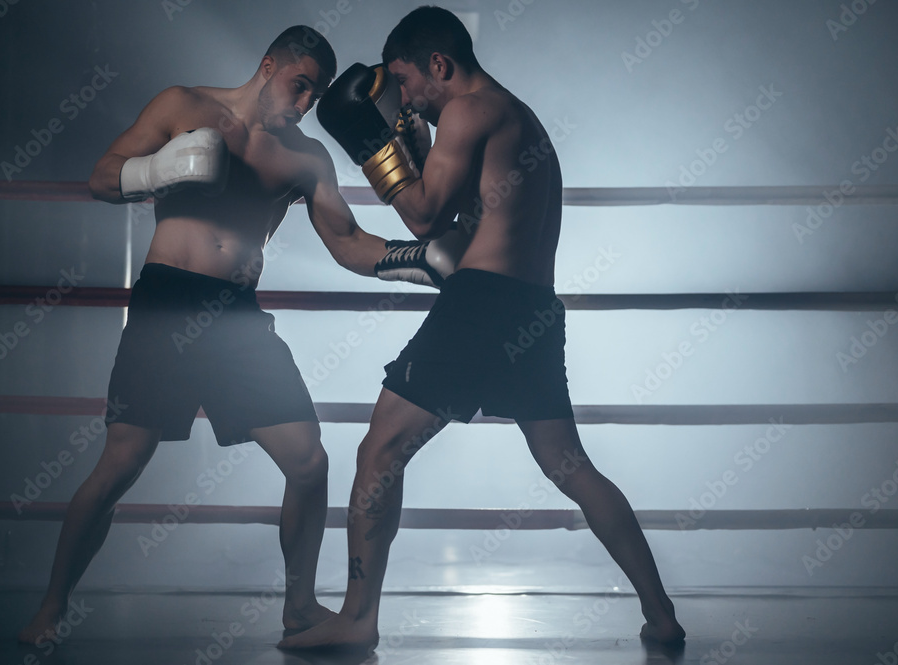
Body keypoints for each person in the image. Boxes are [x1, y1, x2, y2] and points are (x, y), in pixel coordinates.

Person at [18, 24, 454, 646]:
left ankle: (299, 609)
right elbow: (101, 176)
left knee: (309, 461)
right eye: (299, 86)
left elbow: (350, 244)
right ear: (268, 65)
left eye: (316, 95)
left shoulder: (306, 158)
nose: (304, 105)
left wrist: (422, 260)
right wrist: (159, 170)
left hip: (237, 316)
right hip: (166, 304)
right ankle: (51, 608)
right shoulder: (183, 106)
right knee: (120, 464)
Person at [279, 6, 686, 651]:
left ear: (439, 65)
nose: (407, 100)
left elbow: (423, 217)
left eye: (408, 84)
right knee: (570, 466)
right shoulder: (516, 117)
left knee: (378, 453)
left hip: (482, 306)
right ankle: (661, 615)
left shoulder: (469, 110)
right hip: (530, 308)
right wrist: (416, 146)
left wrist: (376, 148)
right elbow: (467, 221)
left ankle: (357, 619)